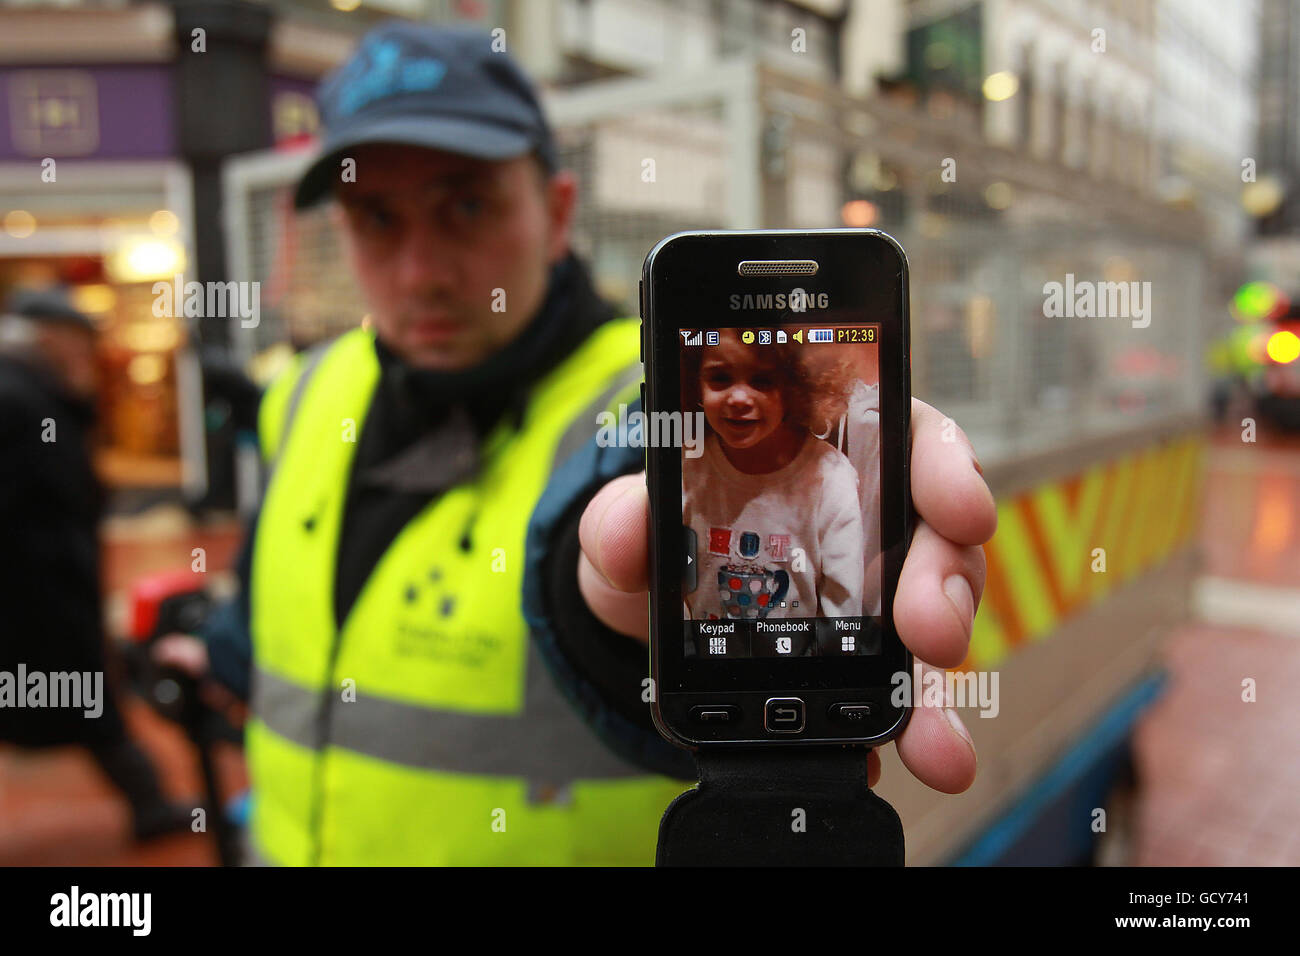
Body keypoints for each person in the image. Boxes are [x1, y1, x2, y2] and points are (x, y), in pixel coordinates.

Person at [156, 21, 997, 864]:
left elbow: (602, 530)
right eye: (375, 217)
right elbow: (282, 609)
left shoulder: (645, 398)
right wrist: (219, 647)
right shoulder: (306, 392)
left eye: (467, 206)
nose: (421, 271)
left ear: (557, 213)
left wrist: (613, 616)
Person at [0, 287, 191, 842]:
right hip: (35, 591)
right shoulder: (20, 394)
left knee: (84, 702)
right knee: (88, 702)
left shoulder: (28, 387)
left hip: (41, 588)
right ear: (48, 338)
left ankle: (150, 804)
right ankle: (151, 806)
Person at [681, 329, 863, 622]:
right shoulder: (686, 464)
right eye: (720, 378)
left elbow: (843, 601)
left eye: (763, 381)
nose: (739, 398)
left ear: (796, 387)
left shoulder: (829, 477)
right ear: (695, 382)